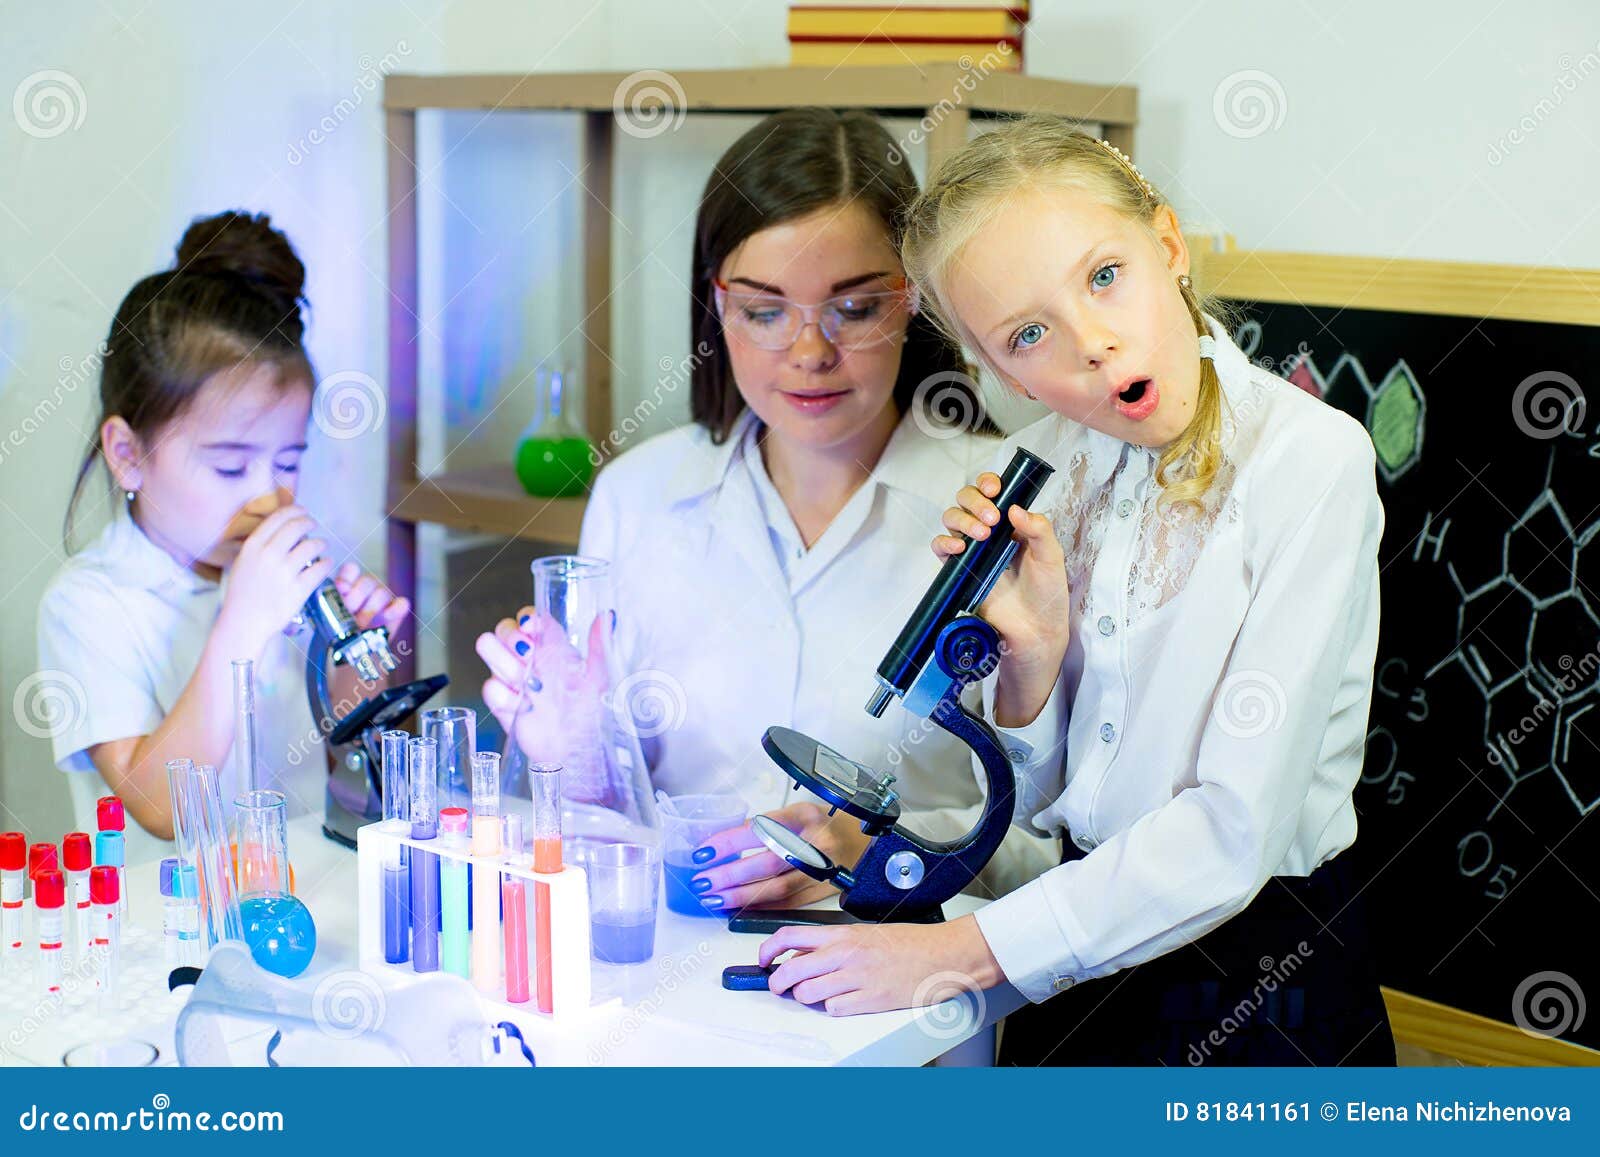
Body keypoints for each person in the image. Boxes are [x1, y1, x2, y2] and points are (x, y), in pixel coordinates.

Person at [755, 118, 1396, 1066]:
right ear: (996, 371)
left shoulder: (1309, 459)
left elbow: (1232, 830)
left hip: (1262, 988)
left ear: (1168, 245)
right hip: (1072, 980)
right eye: (1027, 334)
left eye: (1104, 277)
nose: (1091, 342)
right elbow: (1041, 815)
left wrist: (959, 952)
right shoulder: (1046, 472)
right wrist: (1033, 665)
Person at [477, 108, 1059, 908]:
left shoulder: (1009, 512)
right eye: (764, 309)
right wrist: (576, 752)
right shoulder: (638, 495)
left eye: (855, 308)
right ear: (717, 305)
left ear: (912, 302)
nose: (810, 350)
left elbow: (1062, 847)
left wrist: (876, 849)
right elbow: (609, 825)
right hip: (670, 974)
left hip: (900, 1000)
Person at [37, 211, 407, 864]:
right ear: (127, 453)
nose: (267, 495)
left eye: (289, 461)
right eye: (231, 465)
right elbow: (158, 806)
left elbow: (359, 775)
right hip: (170, 944)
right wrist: (242, 626)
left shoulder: (286, 579)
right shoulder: (88, 604)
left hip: (307, 911)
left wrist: (355, 673)